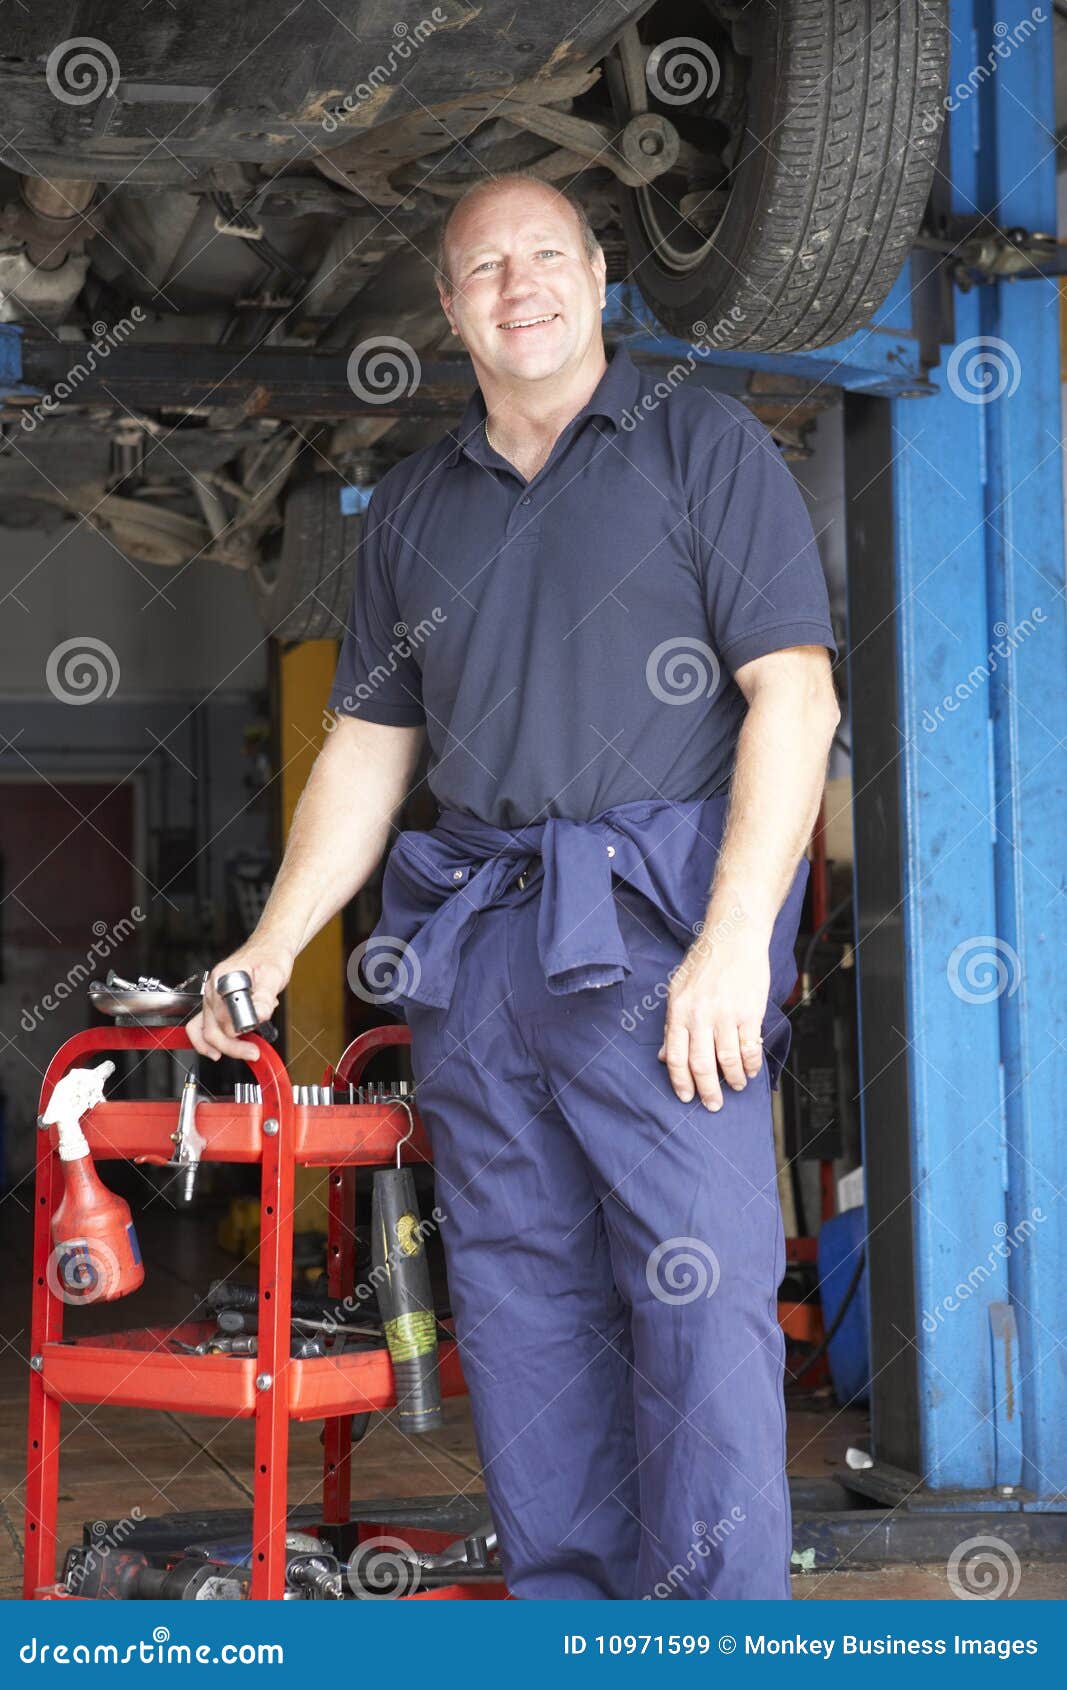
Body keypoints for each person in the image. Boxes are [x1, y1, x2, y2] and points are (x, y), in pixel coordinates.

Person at [189, 171, 840, 1600]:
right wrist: (269, 942)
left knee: (705, 1291)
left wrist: (738, 942)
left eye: (548, 255)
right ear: (448, 306)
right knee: (526, 1309)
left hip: (663, 954)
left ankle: (718, 1639)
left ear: (602, 279)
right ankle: (570, 1629)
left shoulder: (700, 446)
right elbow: (366, 755)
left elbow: (793, 698)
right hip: (481, 956)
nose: (519, 283)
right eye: (485, 267)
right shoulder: (416, 505)